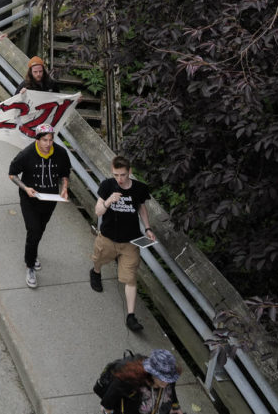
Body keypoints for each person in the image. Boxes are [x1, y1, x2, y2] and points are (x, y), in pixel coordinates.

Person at [90, 155, 156, 332]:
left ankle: (131, 316)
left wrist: (148, 228)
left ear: (130, 172)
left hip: (131, 241)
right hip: (108, 237)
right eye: (116, 175)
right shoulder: (107, 186)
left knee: (130, 276)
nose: (119, 179)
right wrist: (109, 201)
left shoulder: (140, 189)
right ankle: (95, 272)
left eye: (123, 175)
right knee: (98, 259)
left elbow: (142, 207)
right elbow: (98, 211)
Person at [8, 123, 70, 288]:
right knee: (33, 230)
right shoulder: (26, 154)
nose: (47, 144)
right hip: (30, 198)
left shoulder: (61, 153)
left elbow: (65, 173)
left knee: (40, 230)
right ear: (37, 139)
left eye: (50, 140)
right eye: (44, 140)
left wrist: (64, 188)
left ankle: (33, 253)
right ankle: (30, 266)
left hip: (50, 199)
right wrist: (25, 188)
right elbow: (12, 174)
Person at [98, 350, 182, 414]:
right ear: (151, 372)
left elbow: (171, 391)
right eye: (161, 377)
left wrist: (176, 406)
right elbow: (109, 399)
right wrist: (108, 411)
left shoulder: (169, 379)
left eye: (168, 378)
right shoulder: (130, 379)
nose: (165, 382)